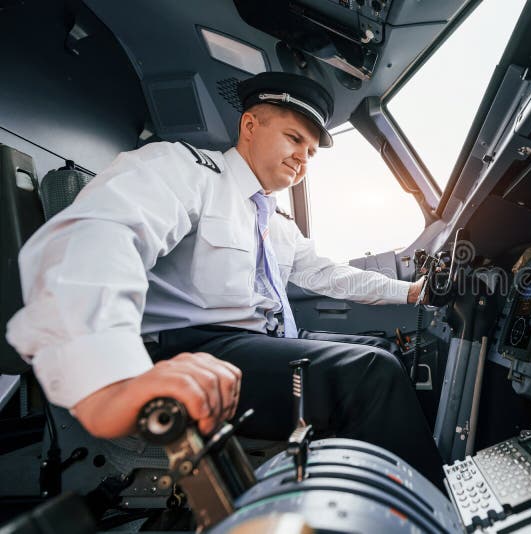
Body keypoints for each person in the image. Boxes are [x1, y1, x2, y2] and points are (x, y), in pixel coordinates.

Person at [6, 72, 443, 484]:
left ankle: (357, 488)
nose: (302, 158)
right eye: (294, 138)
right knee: (373, 372)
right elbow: (99, 236)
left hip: (260, 342)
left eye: (311, 152)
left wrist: (409, 291)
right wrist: (109, 376)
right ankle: (426, 511)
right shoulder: (185, 171)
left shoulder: (277, 219)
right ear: (250, 126)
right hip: (192, 348)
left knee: (383, 350)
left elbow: (328, 275)